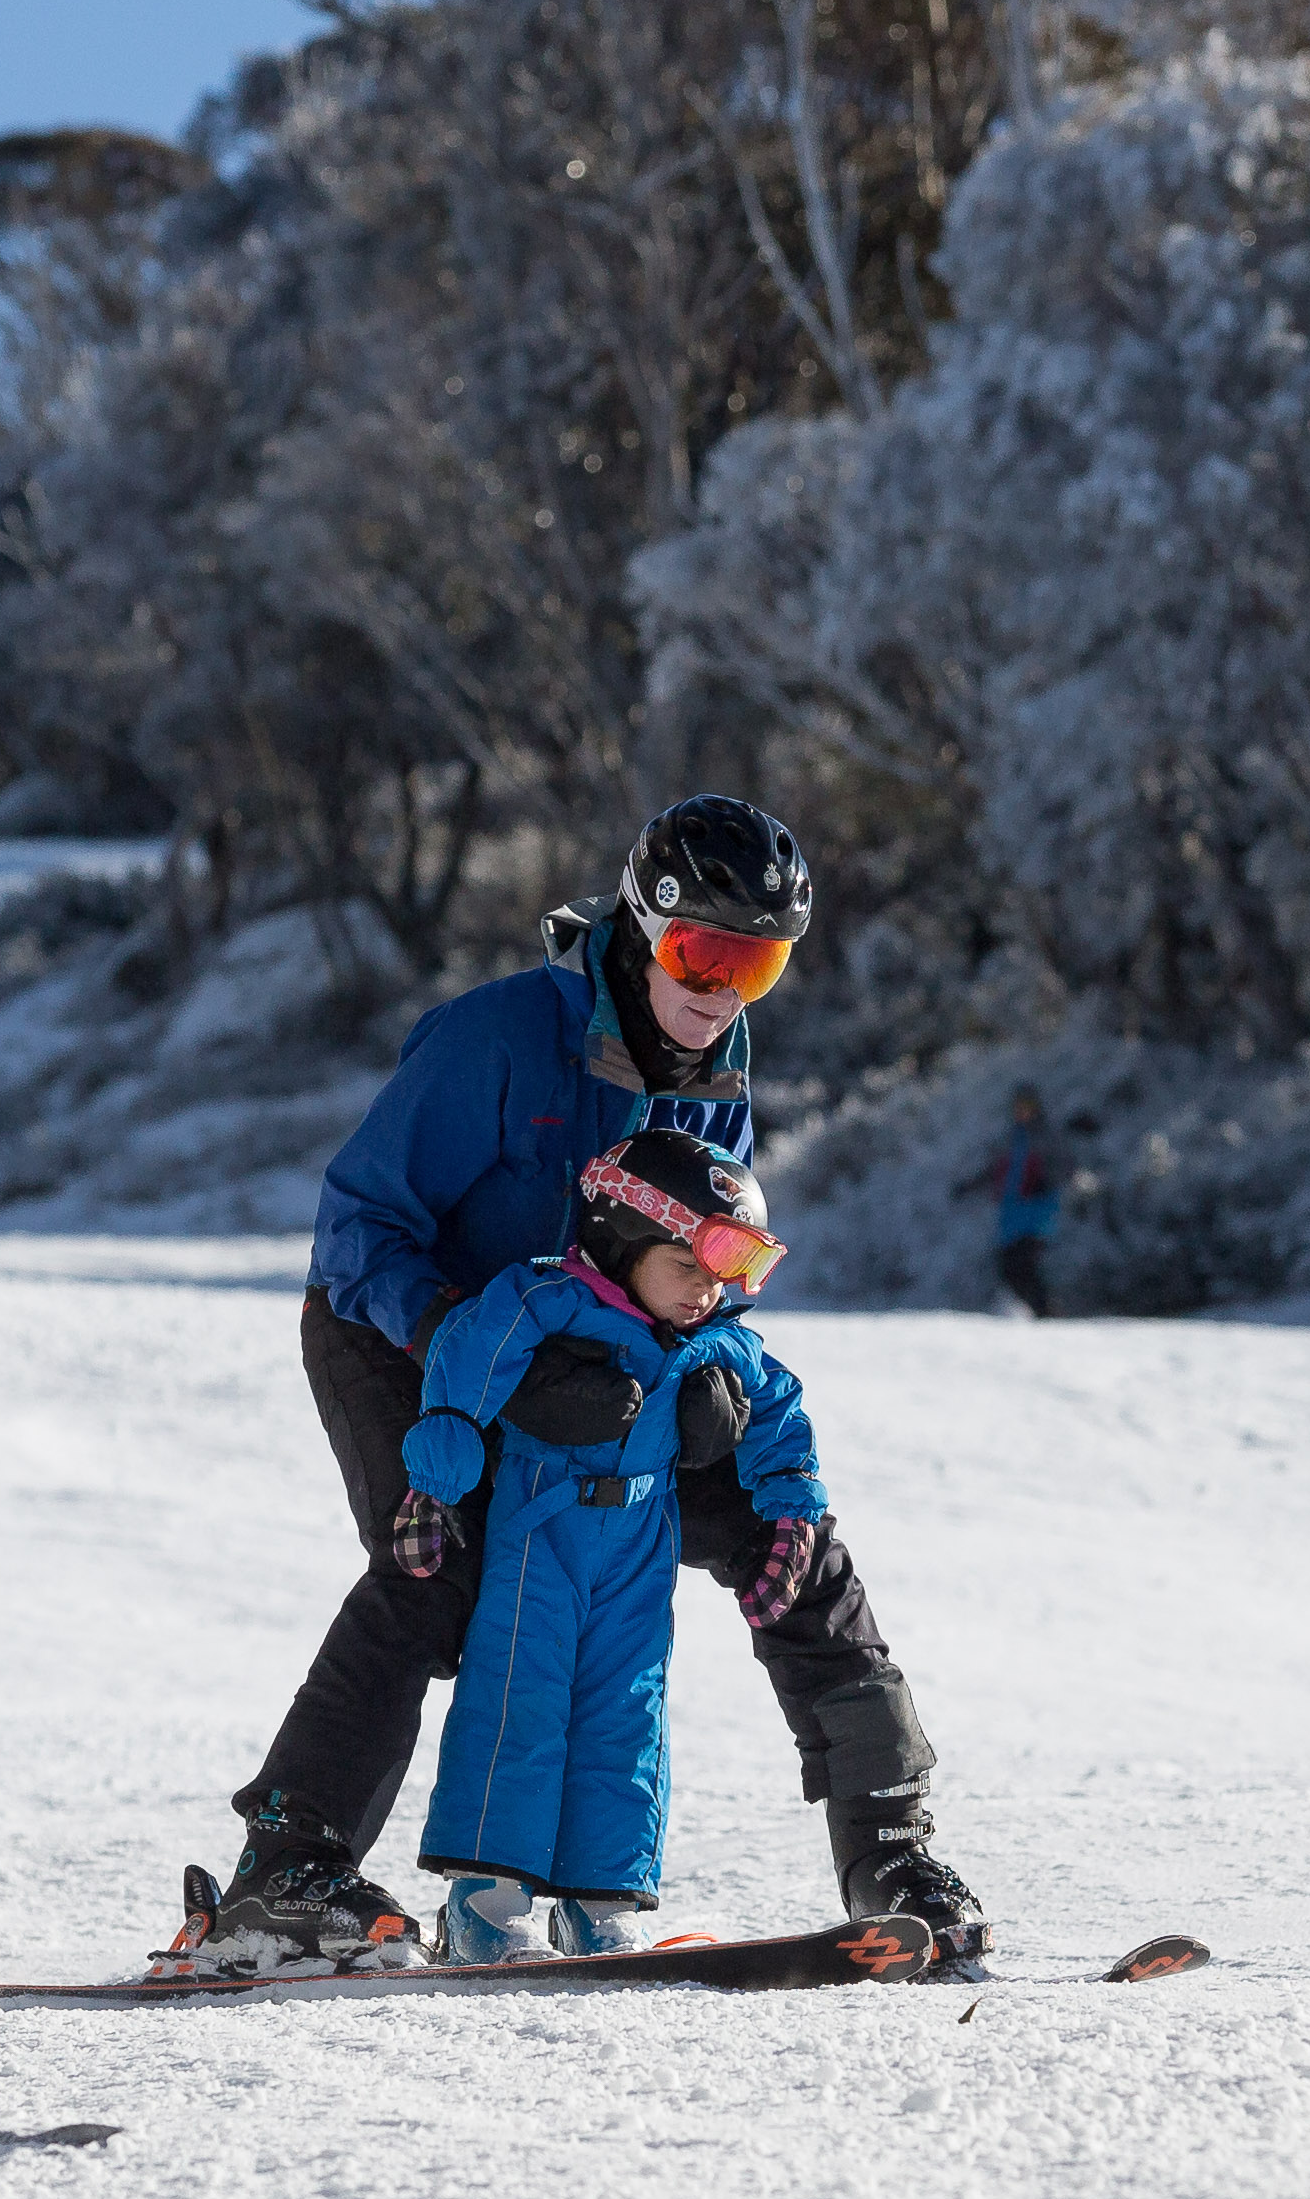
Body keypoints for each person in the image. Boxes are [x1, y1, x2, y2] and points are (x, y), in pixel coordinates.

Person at [186, 796, 985, 1974]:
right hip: (403, 1332)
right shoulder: (496, 1038)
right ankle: (286, 1872)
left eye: (755, 963)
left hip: (615, 1368)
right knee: (441, 1563)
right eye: (704, 950)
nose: (721, 988)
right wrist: (473, 1348)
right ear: (643, 924)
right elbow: (358, 1231)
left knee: (790, 1543)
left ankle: (892, 1851)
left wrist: (712, 1369)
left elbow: (718, 1250)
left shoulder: (718, 1075)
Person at [387, 1133, 829, 1964]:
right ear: (624, 1239)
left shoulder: (717, 1338)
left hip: (640, 1542)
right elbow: (465, 1359)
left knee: (628, 1710)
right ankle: (488, 1899)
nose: (707, 1292)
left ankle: (601, 1899)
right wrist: (435, 1478)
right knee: (523, 1696)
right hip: (541, 1527)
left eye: (724, 1275)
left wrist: (792, 1515)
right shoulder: (549, 1299)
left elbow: (778, 1413)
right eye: (688, 1267)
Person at [996, 1083, 1058, 1317]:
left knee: (1025, 1266)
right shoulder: (1014, 1136)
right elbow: (1000, 1170)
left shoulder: (1044, 1135)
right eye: (1018, 1106)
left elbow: (1062, 1166)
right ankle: (1039, 1313)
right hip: (1013, 1216)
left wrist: (1045, 1183)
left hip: (1036, 1215)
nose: (1021, 1111)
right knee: (1009, 1269)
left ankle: (1045, 1314)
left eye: (1026, 1106)